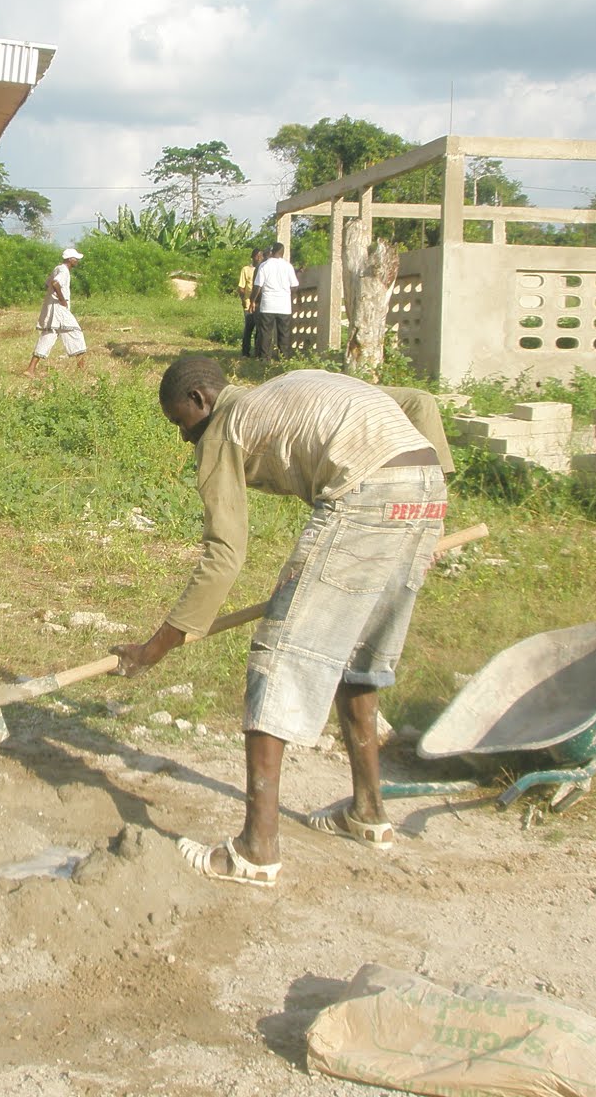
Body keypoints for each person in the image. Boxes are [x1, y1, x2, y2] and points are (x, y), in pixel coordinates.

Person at [112, 356, 447, 887]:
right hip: (425, 489)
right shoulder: (283, 392)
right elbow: (417, 404)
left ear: (201, 399)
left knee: (277, 657)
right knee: (355, 654)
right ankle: (367, 813)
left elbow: (224, 555)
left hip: (367, 491)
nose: (184, 439)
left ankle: (255, 849)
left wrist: (152, 650)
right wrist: (428, 495)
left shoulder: (223, 428)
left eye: (181, 423)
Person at [24, 247, 87, 377]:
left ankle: (30, 369)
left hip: (52, 307)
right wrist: (62, 299)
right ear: (71, 259)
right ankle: (81, 370)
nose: (77, 262)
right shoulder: (64, 270)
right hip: (59, 308)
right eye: (76, 259)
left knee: (48, 336)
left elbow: (48, 283)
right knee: (76, 333)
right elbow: (55, 283)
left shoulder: (57, 268)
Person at [252, 242, 297, 362]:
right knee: (284, 333)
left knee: (266, 333)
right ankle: (283, 358)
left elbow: (257, 286)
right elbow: (294, 285)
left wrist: (253, 301)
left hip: (268, 304)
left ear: (271, 252)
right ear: (283, 253)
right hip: (284, 306)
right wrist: (288, 295)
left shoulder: (264, 266)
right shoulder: (288, 266)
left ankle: (264, 358)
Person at [237, 248, 263, 357]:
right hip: (248, 304)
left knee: (259, 330)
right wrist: (243, 300)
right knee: (248, 328)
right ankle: (245, 352)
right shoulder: (246, 269)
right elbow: (241, 287)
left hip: (259, 304)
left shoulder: (263, 268)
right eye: (257, 255)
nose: (259, 257)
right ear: (252, 257)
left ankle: (257, 352)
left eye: (260, 256)